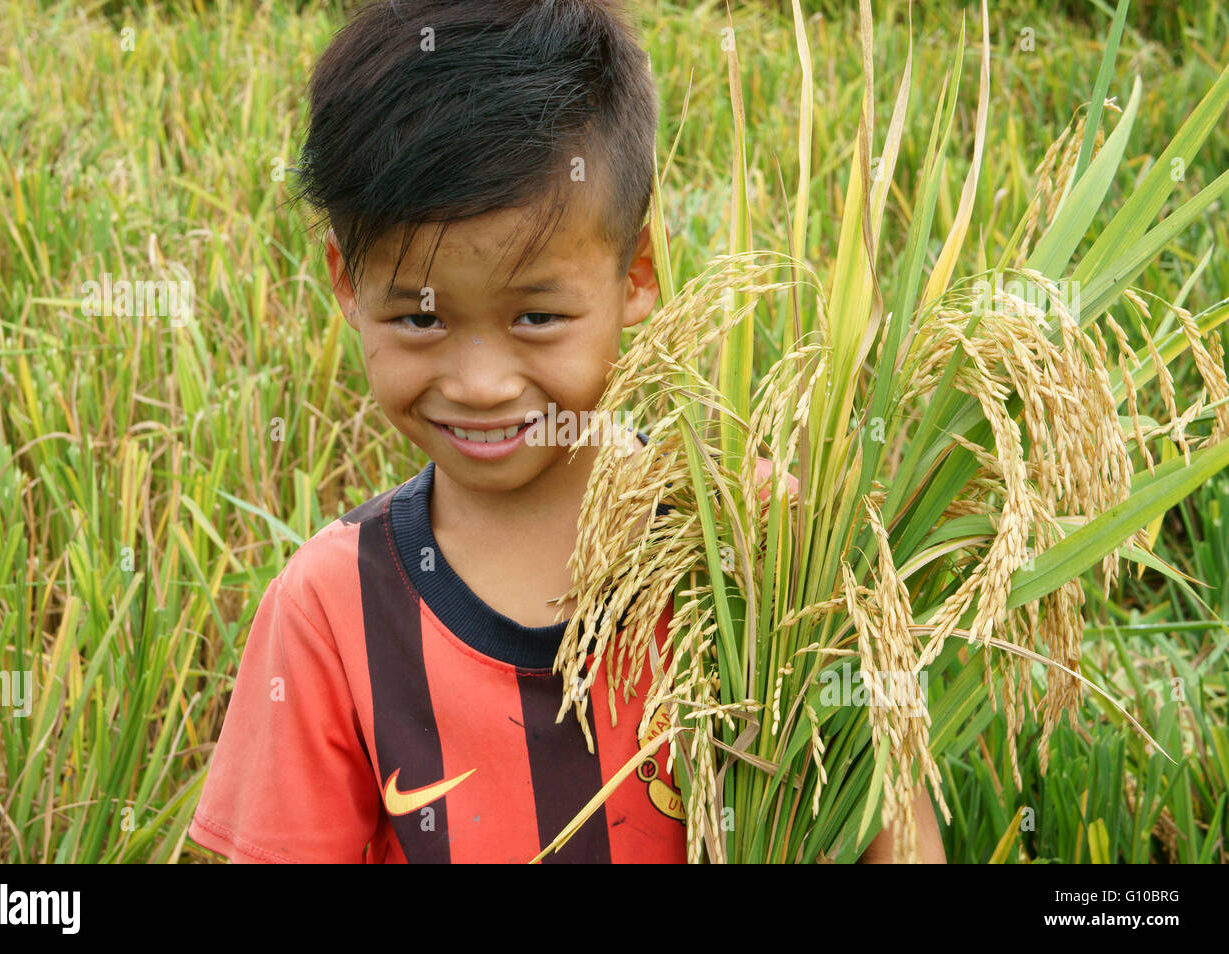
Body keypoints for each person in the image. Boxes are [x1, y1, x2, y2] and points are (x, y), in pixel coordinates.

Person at [187, 0, 942, 864]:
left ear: (637, 276)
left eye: (538, 316)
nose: (481, 384)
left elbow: (891, 825)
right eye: (420, 320)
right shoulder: (331, 612)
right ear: (348, 286)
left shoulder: (762, 539)